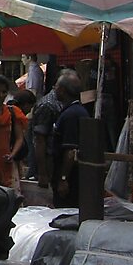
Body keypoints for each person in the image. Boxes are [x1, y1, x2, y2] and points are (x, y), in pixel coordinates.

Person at [51, 71, 89, 208]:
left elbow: (71, 150)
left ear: (62, 90)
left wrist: (63, 178)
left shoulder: (71, 115)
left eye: (56, 86)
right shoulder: (75, 111)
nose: (54, 89)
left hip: (71, 178)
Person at [29, 75, 65, 187]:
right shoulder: (47, 105)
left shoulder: (60, 102)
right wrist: (42, 173)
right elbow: (39, 139)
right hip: (49, 159)